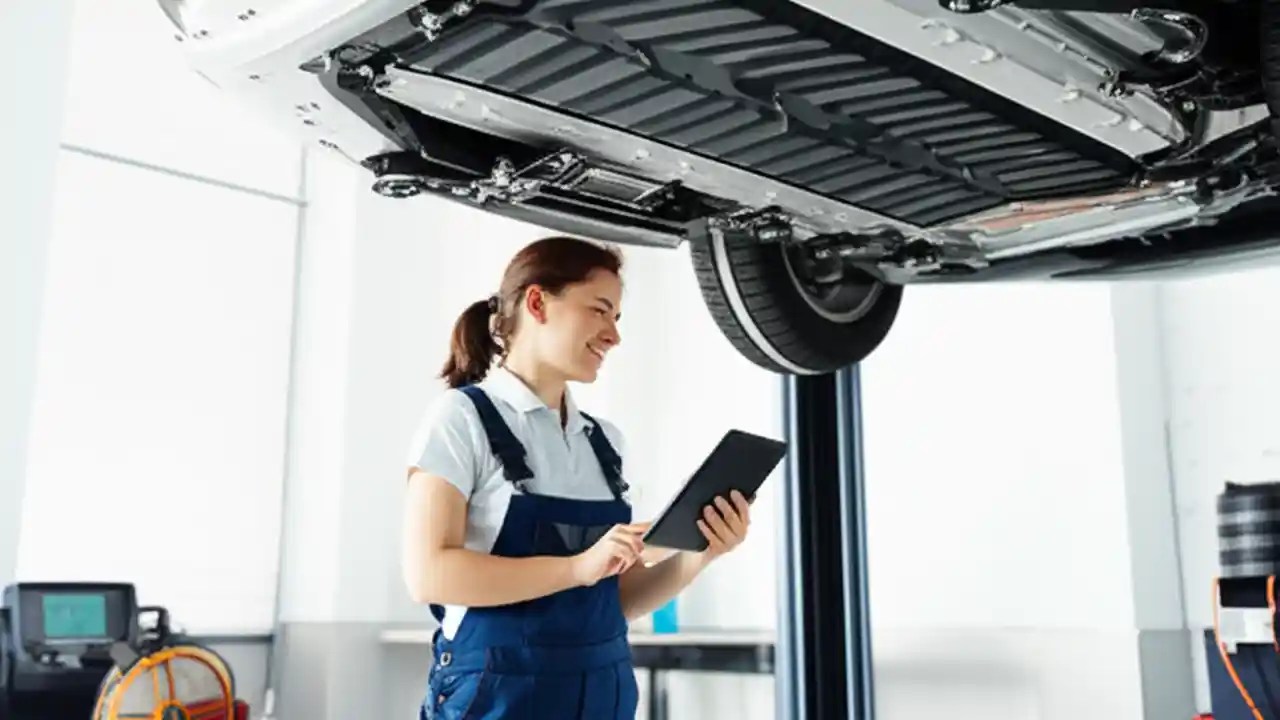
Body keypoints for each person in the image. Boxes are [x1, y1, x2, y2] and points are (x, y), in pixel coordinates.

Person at [402, 236, 753, 720]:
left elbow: (614, 601)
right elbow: (429, 575)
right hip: (498, 700)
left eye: (617, 317)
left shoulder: (604, 443)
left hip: (601, 696)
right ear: (537, 303)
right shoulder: (461, 419)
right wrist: (578, 567)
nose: (614, 336)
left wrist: (701, 554)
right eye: (599, 310)